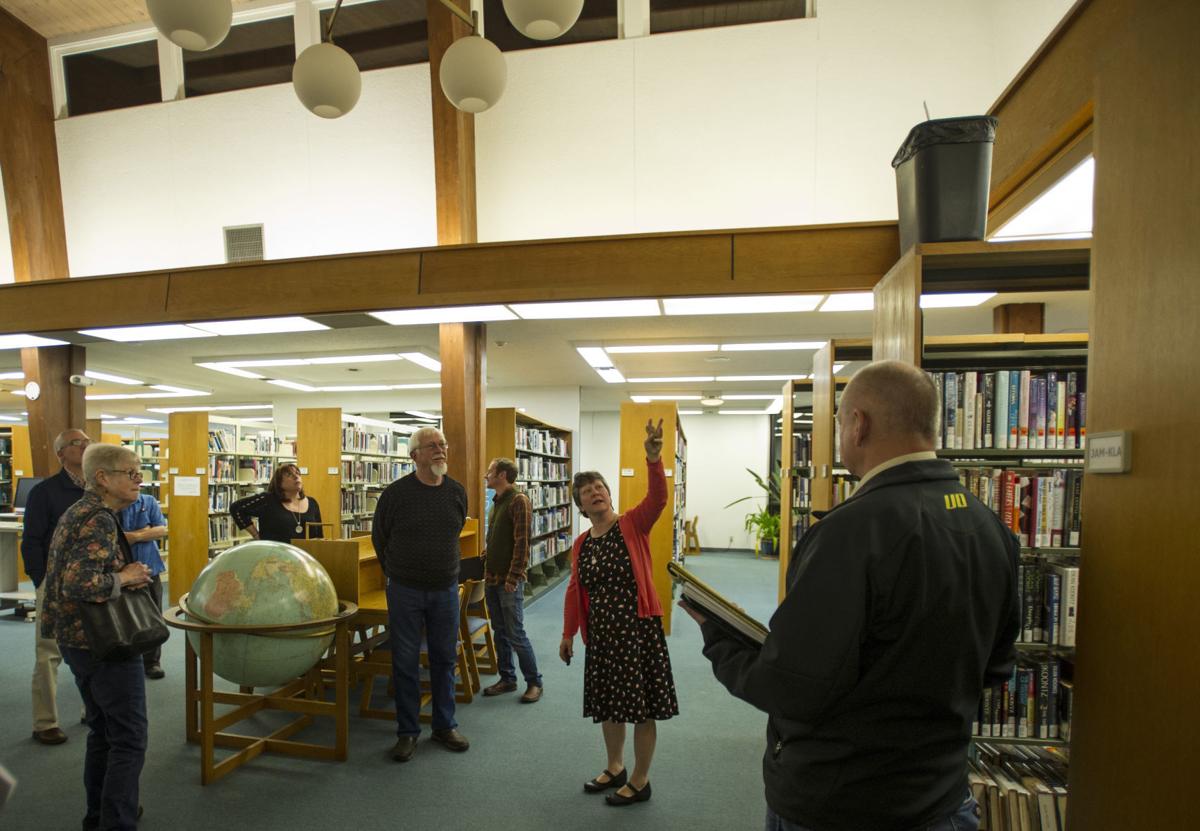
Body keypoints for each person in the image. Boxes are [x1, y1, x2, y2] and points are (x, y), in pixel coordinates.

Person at [684, 360, 1019, 831]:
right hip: (942, 796)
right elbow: (996, 665)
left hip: (843, 801)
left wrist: (720, 641)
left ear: (858, 425)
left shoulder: (850, 533)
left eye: (840, 422)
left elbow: (792, 687)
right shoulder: (990, 527)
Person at [560, 418, 678, 807]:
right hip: (603, 636)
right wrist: (567, 633)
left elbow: (658, 498)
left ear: (609, 495)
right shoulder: (581, 544)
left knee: (642, 708)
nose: (595, 492)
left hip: (637, 631)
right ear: (580, 505)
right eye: (586, 491)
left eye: (599, 487)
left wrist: (652, 458)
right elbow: (576, 589)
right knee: (611, 704)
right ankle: (615, 766)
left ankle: (641, 779)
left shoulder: (632, 524)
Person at [42, 443, 154, 830]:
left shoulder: (81, 512)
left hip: (77, 640)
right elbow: (80, 582)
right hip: (103, 643)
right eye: (131, 472)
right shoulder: (98, 519)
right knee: (128, 738)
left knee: (104, 733)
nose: (140, 479)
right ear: (103, 478)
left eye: (140, 471)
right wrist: (127, 577)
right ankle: (117, 821)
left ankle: (100, 815)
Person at [371, 426, 470, 762]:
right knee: (405, 662)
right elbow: (380, 538)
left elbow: (455, 531)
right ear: (414, 455)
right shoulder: (396, 494)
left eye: (442, 444)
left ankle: (444, 724)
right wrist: (399, 572)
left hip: (445, 589)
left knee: (445, 658)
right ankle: (408, 732)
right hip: (405, 590)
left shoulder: (456, 491)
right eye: (431, 446)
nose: (440, 450)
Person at [20, 427, 90, 746]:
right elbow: (32, 540)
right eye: (78, 443)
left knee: (92, 647)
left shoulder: (96, 488)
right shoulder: (45, 492)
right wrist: (41, 580)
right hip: (55, 581)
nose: (86, 446)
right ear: (61, 453)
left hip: (90, 581)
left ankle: (92, 707)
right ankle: (45, 722)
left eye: (89, 442)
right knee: (49, 653)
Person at [481, 457, 543, 703]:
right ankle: (507, 678)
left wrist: (514, 577)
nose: (486, 475)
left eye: (490, 471)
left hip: (508, 580)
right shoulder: (496, 501)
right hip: (492, 577)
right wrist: (487, 553)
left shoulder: (519, 501)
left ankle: (534, 682)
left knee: (516, 633)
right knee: (500, 631)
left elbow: (522, 543)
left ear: (503, 475)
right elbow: (496, 535)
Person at [117, 492, 168, 679]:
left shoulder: (148, 501)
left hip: (150, 568)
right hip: (122, 572)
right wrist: (146, 532)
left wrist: (134, 536)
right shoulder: (112, 505)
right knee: (122, 616)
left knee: (153, 616)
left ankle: (152, 662)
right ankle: (126, 660)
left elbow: (162, 530)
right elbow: (114, 537)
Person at [230, 463, 323, 543]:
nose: (296, 476)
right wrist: (256, 535)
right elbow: (236, 508)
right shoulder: (268, 500)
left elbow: (319, 536)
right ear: (279, 482)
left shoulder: (312, 503)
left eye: (298, 473)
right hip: (275, 558)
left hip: (305, 559)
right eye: (289, 475)